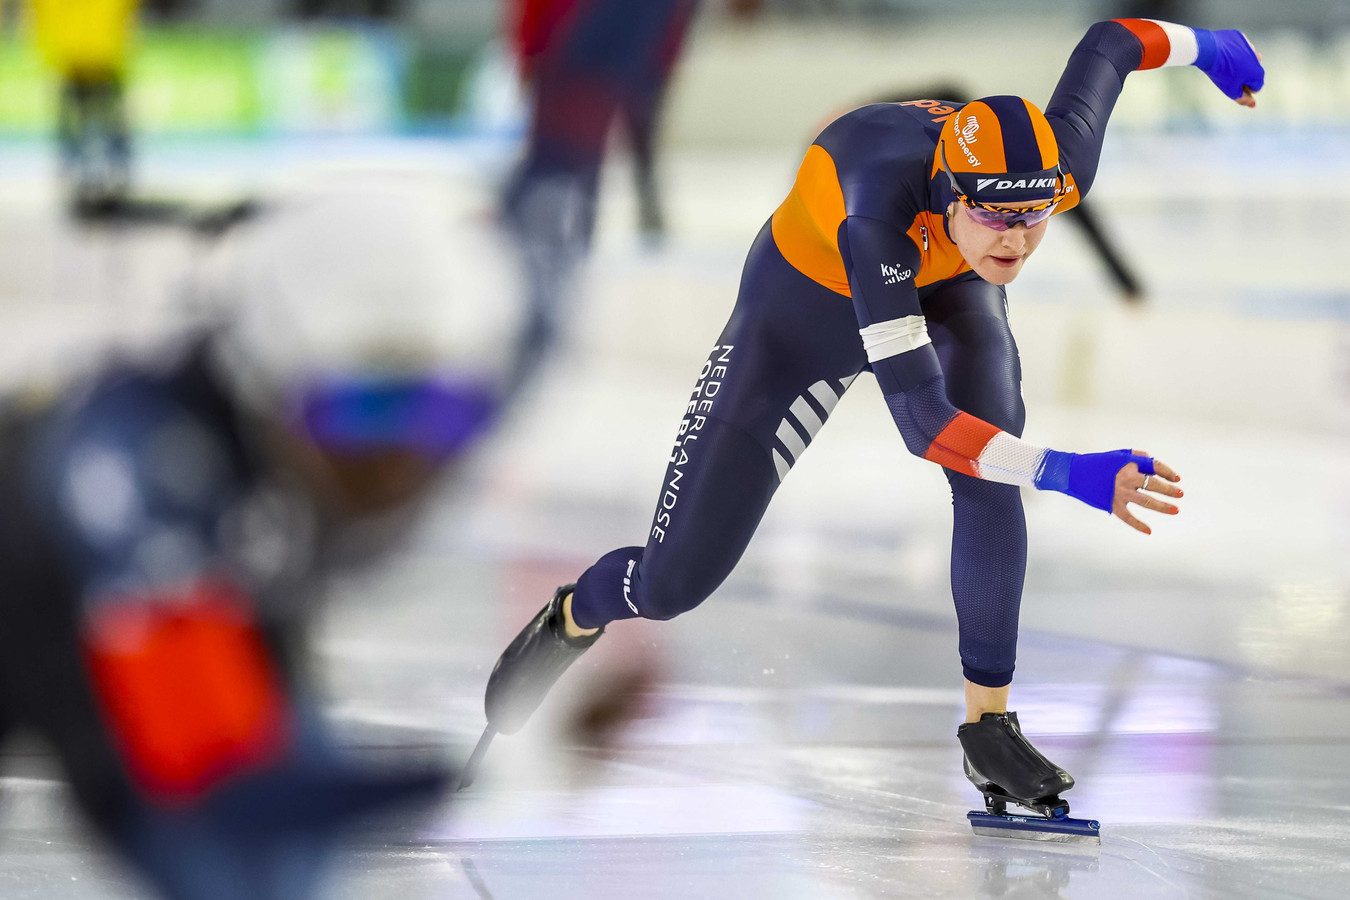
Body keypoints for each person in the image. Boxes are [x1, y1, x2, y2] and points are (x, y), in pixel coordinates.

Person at [466, 18, 1263, 838]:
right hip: (799, 321)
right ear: (949, 193)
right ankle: (577, 611)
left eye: (1035, 215)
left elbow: (1112, 45)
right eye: (995, 216)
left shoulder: (1054, 162)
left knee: (991, 470)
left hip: (946, 291)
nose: (1018, 240)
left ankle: (990, 729)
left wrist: (1214, 47)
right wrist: (1069, 472)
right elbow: (924, 423)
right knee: (673, 586)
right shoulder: (876, 208)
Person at [0, 190, 513, 897]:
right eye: (350, 412)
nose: (395, 462)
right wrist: (507, 776)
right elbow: (232, 804)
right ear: (263, 381)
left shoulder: (274, 418)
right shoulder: (131, 475)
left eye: (442, 412)